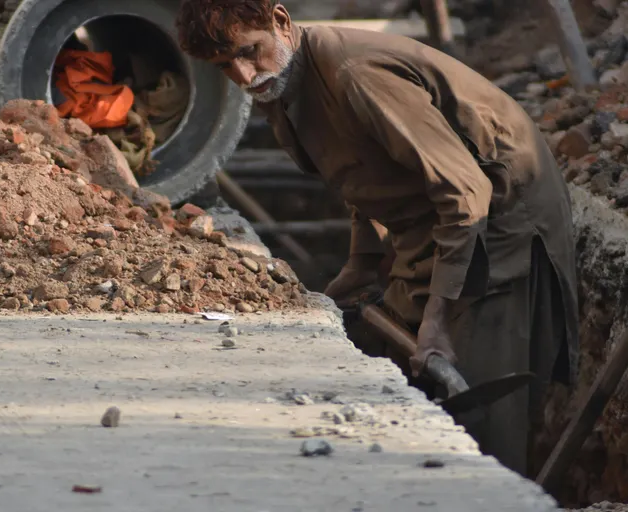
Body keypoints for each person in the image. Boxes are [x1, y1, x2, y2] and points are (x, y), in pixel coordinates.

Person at [176, 0, 579, 476]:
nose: (244, 76)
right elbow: (361, 168)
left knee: (474, 410)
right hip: (431, 219)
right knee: (403, 355)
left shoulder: (356, 74)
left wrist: (437, 317)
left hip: (500, 221)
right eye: (226, 67)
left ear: (281, 22)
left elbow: (467, 192)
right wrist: (363, 261)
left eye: (250, 52)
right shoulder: (286, 85)